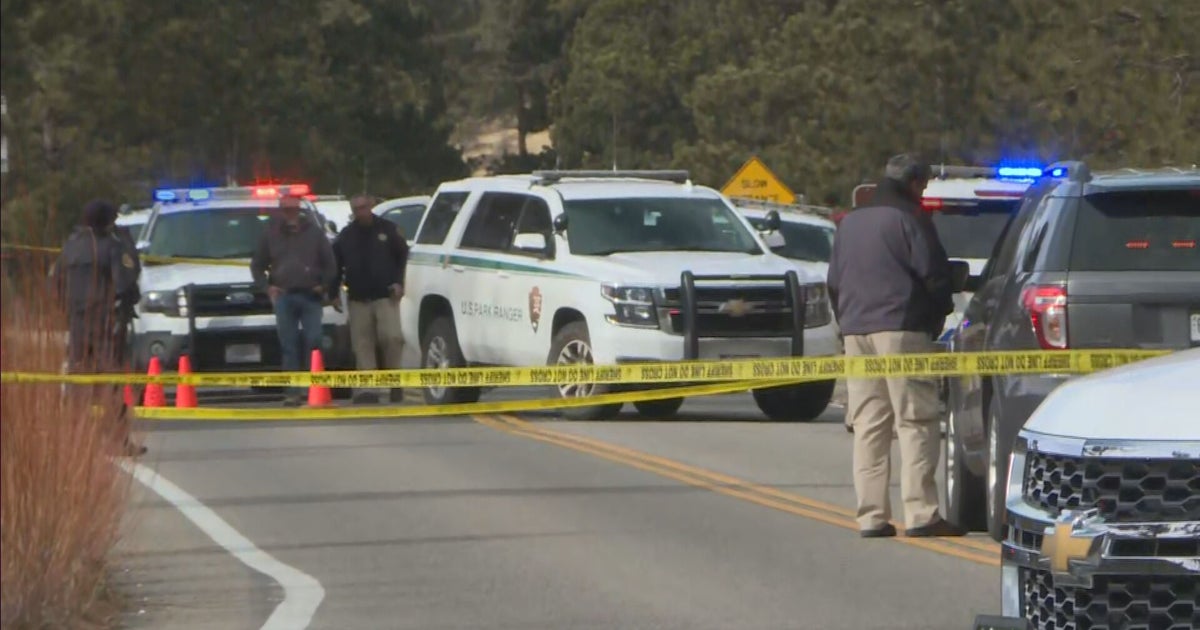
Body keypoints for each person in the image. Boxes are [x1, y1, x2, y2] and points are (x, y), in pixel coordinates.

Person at [826, 153, 962, 538]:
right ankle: (921, 514)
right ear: (916, 183)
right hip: (901, 328)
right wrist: (939, 312)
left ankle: (871, 516)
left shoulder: (850, 222)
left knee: (870, 424)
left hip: (856, 331)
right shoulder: (911, 218)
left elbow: (834, 281)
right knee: (916, 419)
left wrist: (848, 324)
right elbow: (934, 275)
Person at [54, 199, 144, 455]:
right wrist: (128, 245)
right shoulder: (112, 247)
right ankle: (119, 440)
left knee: (77, 381)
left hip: (77, 323)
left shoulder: (70, 248)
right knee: (111, 381)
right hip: (105, 323)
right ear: (108, 221)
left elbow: (55, 283)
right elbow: (125, 282)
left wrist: (68, 311)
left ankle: (74, 441)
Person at [251, 195, 337, 406]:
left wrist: (324, 285)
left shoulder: (315, 234)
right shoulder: (270, 234)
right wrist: (267, 287)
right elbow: (256, 266)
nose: (290, 213)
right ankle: (292, 392)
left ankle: (313, 388)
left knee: (314, 341)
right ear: (280, 211)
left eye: (294, 209)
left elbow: (331, 265)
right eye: (286, 209)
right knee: (288, 346)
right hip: (284, 297)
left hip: (311, 297)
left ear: (299, 210)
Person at [332, 195, 409, 404]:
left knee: (392, 338)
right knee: (362, 344)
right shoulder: (346, 236)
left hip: (386, 295)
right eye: (356, 209)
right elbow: (336, 266)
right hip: (358, 298)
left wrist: (399, 282)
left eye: (364, 207)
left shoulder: (388, 229)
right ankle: (369, 388)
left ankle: (395, 382)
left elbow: (403, 256)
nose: (361, 212)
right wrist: (333, 293)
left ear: (371, 206)